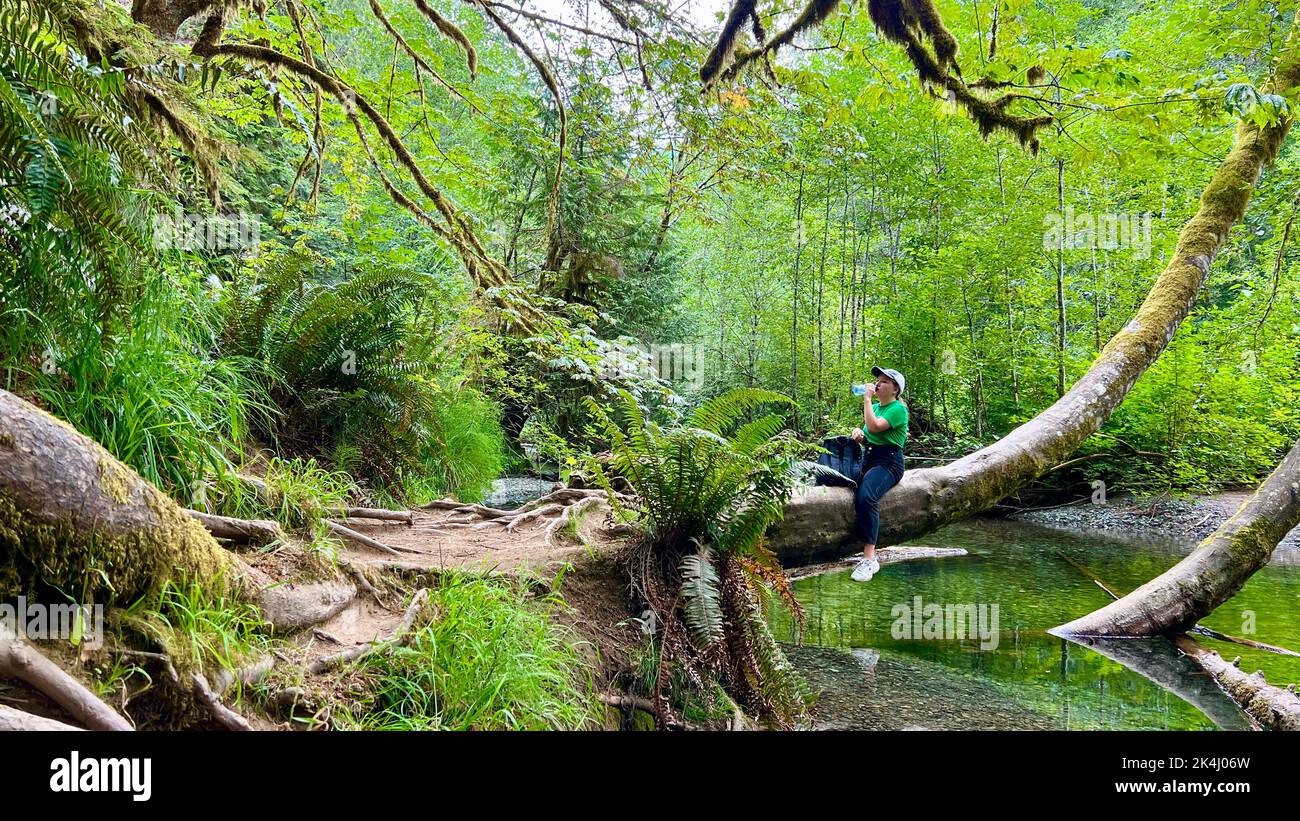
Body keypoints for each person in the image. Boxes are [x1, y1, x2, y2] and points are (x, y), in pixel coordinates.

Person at [849, 366, 909, 582]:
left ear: (895, 389)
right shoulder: (876, 406)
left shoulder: (898, 409)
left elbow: (874, 427)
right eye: (878, 380)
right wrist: (858, 434)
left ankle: (869, 559)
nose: (877, 384)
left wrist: (865, 400)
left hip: (889, 463)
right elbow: (869, 435)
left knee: (867, 497)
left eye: (884, 381)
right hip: (870, 459)